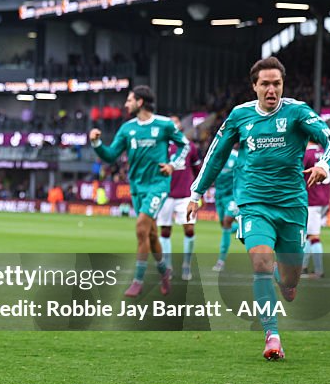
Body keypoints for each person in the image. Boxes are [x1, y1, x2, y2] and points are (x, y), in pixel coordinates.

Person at [188, 57, 330, 360]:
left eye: (277, 84)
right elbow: (216, 154)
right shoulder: (240, 116)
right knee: (260, 263)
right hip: (253, 202)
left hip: (292, 205)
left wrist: (324, 163)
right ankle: (272, 336)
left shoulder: (297, 112)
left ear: (283, 85)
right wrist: (197, 191)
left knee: (290, 278)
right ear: (254, 86)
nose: (271, 89)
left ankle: (286, 283)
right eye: (265, 84)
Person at [90, 86, 189, 298]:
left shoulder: (164, 124)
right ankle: (164, 272)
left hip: (158, 185)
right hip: (137, 188)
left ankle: (137, 281)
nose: (126, 104)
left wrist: (173, 164)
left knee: (140, 228)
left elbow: (185, 145)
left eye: (129, 100)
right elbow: (110, 155)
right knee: (151, 235)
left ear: (140, 102)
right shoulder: (127, 129)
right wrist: (96, 143)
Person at [156, 116, 201, 281]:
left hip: (185, 196)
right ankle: (167, 266)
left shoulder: (190, 146)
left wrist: (198, 192)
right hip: (165, 196)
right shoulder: (160, 146)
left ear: (180, 126)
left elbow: (198, 170)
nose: (174, 124)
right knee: (165, 231)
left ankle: (186, 265)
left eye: (176, 122)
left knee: (189, 230)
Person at [301, 141, 330, 278]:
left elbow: (297, 173)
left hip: (312, 200)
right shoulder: (326, 153)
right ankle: (303, 266)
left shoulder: (307, 154)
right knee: (309, 234)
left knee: (314, 236)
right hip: (324, 200)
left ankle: (318, 271)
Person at [211, 146, 240, 272]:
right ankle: (244, 228)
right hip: (219, 195)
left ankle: (221, 261)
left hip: (233, 196)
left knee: (227, 221)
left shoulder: (238, 157)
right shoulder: (219, 155)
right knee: (224, 225)